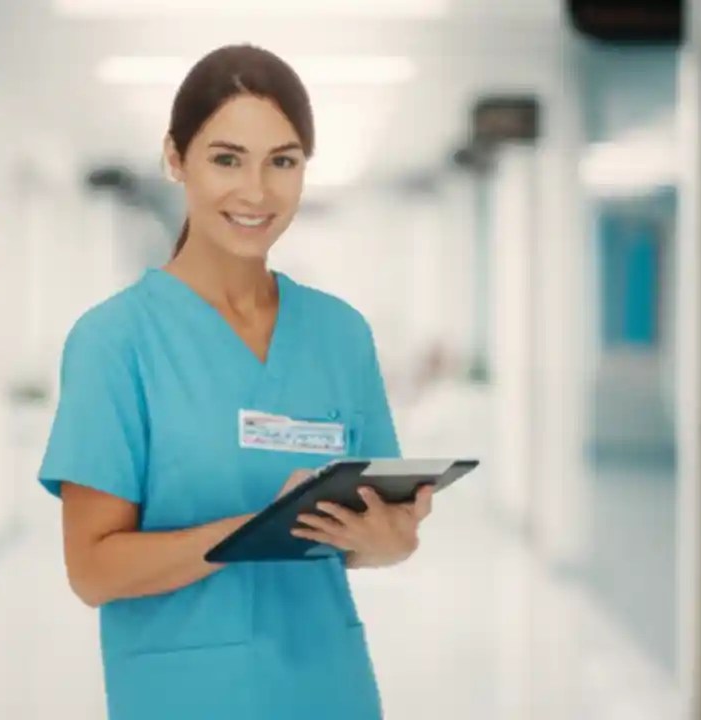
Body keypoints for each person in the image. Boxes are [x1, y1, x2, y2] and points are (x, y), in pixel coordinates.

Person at [37, 43, 436, 720]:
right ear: (175, 158)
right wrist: (256, 530)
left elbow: (378, 532)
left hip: (328, 687)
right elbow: (93, 570)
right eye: (227, 159)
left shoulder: (340, 334)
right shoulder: (116, 342)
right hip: (183, 696)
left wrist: (388, 542)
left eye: (282, 161)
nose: (257, 192)